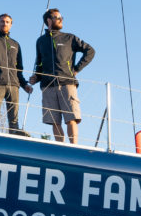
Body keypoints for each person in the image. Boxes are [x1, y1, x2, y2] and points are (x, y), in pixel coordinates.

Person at [28, 8, 94, 144]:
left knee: (71, 118)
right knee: (54, 121)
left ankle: (74, 147)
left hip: (66, 83)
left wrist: (76, 69)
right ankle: (60, 148)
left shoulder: (69, 38)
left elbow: (90, 51)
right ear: (49, 20)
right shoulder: (40, 41)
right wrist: (37, 77)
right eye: (58, 17)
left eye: (61, 17)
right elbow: (39, 62)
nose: (61, 19)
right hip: (47, 85)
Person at [0, 14, 33, 134]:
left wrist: (24, 85)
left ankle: (13, 145)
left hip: (14, 85)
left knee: (14, 120)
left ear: (11, 25)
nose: (4, 24)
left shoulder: (16, 44)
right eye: (2, 21)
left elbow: (19, 69)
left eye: (7, 22)